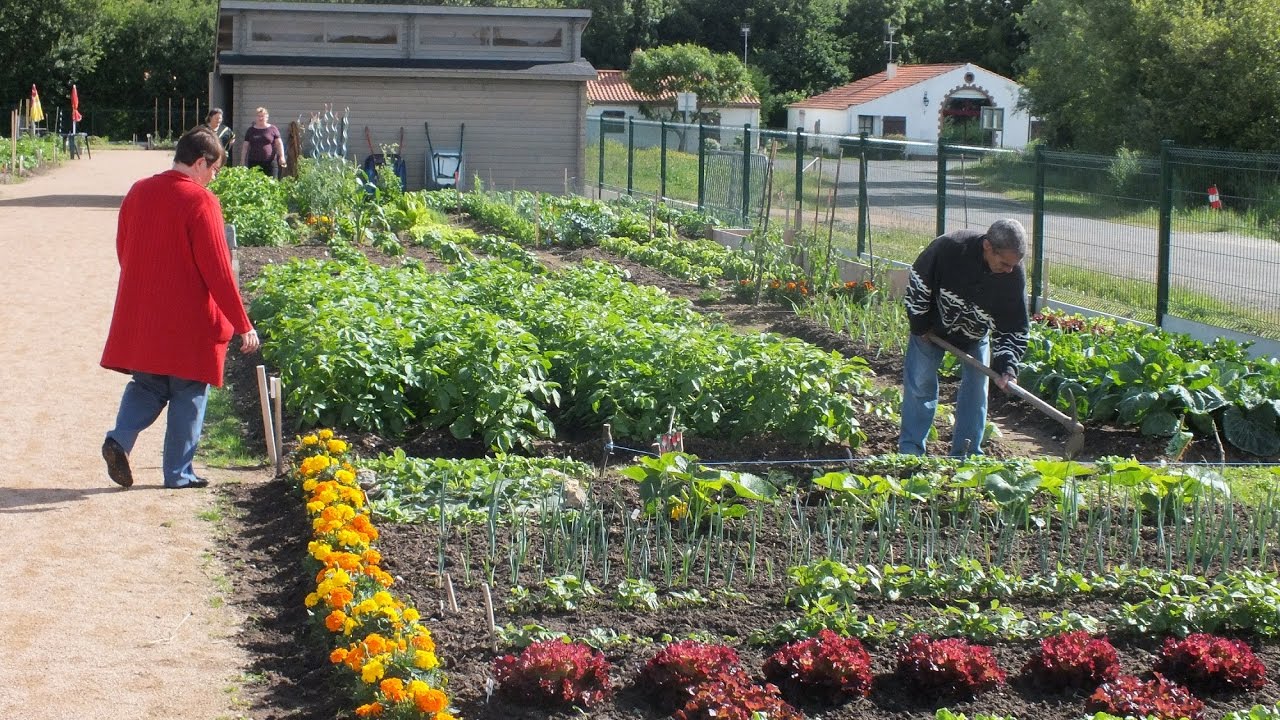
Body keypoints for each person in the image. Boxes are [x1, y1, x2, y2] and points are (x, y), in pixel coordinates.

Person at [100, 126, 261, 490]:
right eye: (214, 169)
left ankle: (119, 440)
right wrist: (242, 324)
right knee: (190, 390)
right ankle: (179, 473)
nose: (214, 177)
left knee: (147, 385)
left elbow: (124, 249)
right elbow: (218, 271)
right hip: (190, 319)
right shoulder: (201, 201)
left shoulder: (139, 191)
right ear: (200, 162)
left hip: (144, 312)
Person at [899, 219, 1029, 457]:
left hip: (974, 334)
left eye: (1014, 265)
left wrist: (1007, 365)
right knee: (920, 384)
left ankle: (966, 455)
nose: (1009, 270)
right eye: (1004, 263)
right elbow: (918, 283)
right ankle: (910, 453)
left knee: (977, 391)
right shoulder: (949, 248)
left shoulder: (1012, 275)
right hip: (931, 328)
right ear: (988, 246)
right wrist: (920, 325)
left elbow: (1013, 326)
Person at [239, 106, 286, 178]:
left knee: (271, 182)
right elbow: (245, 146)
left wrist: (282, 156)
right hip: (254, 162)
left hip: (270, 162)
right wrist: (242, 160)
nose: (260, 118)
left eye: (262, 116)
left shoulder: (273, 129)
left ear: (267, 117)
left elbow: (279, 144)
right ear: (256, 117)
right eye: (259, 116)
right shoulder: (251, 130)